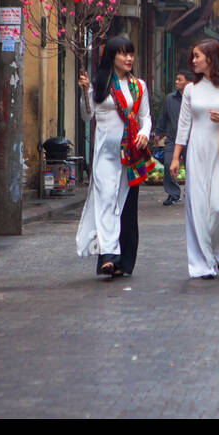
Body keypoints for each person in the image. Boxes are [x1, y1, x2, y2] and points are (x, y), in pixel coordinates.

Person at [75, 36, 154, 279]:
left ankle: (124, 261)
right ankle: (108, 254)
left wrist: (144, 133)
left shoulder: (138, 86)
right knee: (107, 200)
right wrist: (85, 93)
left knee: (126, 207)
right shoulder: (99, 84)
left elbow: (145, 117)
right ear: (112, 57)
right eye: (123, 54)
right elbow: (88, 115)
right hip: (105, 154)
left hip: (129, 155)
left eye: (130, 53)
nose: (128, 58)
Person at [169, 39, 219, 279]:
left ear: (211, 58)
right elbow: (184, 124)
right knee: (199, 209)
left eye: (197, 56)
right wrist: (175, 157)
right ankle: (203, 263)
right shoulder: (191, 90)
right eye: (193, 57)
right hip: (197, 153)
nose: (193, 61)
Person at [157, 71, 188, 206]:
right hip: (172, 139)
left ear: (188, 82)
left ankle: (191, 192)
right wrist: (158, 132)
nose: (176, 82)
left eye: (179, 79)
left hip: (190, 140)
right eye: (176, 79)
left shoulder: (193, 98)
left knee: (192, 168)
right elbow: (163, 116)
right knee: (169, 164)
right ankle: (173, 194)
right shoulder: (170, 99)